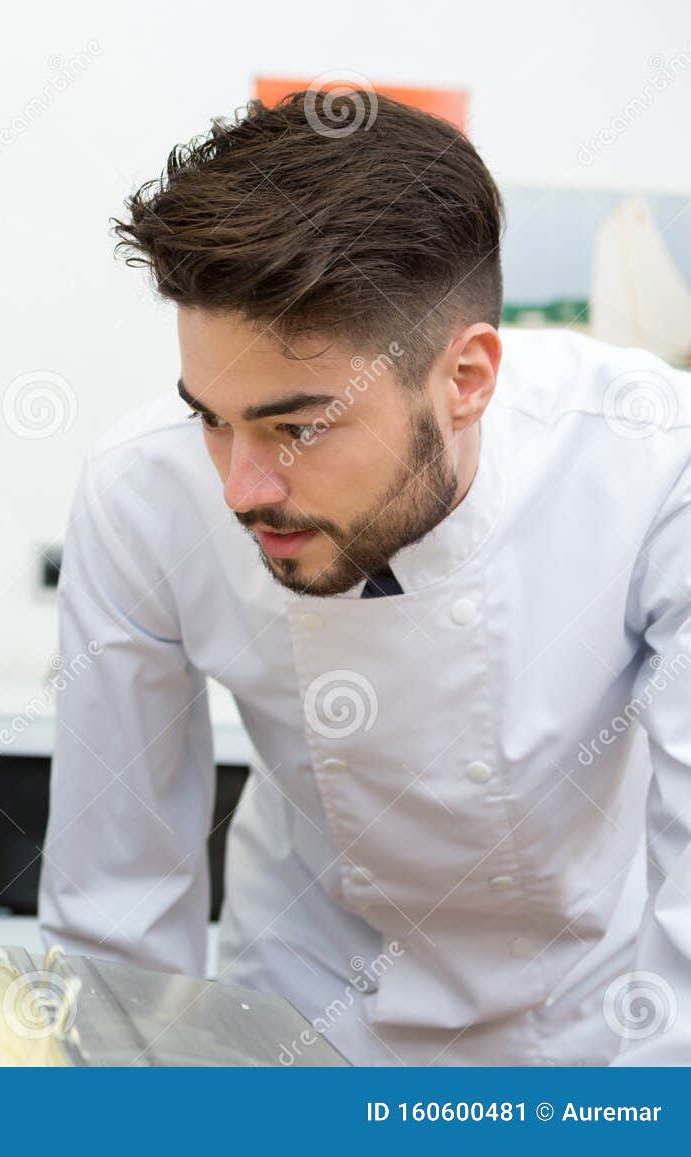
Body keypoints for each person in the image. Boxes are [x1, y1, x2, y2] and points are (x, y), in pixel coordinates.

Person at [40, 91, 691, 1065]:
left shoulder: (651, 464)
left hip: (591, 1028)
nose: (239, 485)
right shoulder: (140, 491)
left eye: (297, 427)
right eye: (212, 417)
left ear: (465, 379)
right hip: (301, 1014)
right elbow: (114, 905)